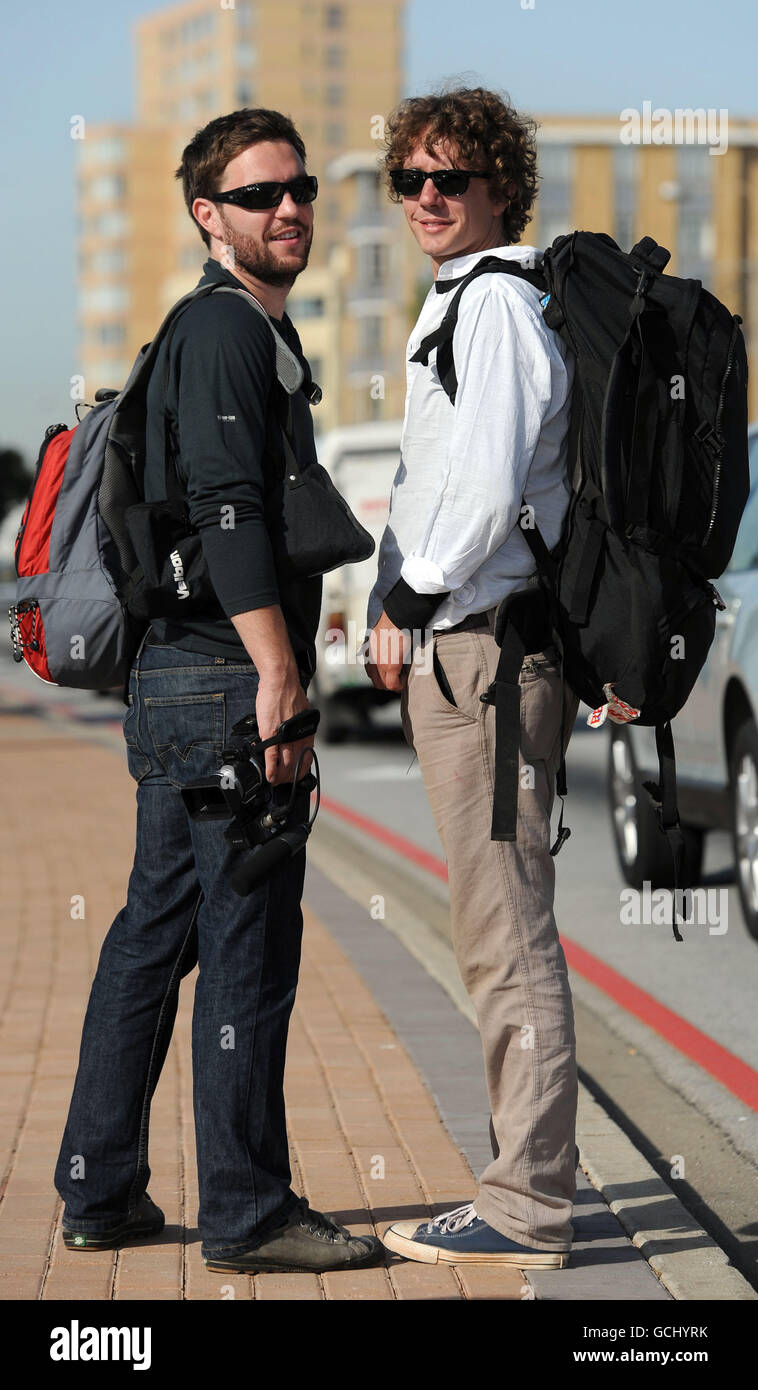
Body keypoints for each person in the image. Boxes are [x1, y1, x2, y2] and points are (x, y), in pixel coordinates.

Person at [54, 107, 382, 1276]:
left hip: (181, 677)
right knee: (249, 946)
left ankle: (99, 1186)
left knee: (155, 931)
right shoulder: (224, 331)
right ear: (209, 216)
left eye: (297, 189)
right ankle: (247, 1212)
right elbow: (228, 510)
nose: (287, 208)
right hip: (223, 676)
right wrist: (282, 679)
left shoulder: (219, 332)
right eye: (258, 196)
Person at [366, 86, 580, 1268]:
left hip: (486, 649)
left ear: (502, 186)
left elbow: (486, 485)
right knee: (493, 925)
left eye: (452, 178)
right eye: (410, 181)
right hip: (469, 648)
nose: (428, 199)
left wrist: (409, 594)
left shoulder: (494, 301)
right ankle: (525, 1181)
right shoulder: (462, 301)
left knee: (505, 933)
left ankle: (526, 1206)